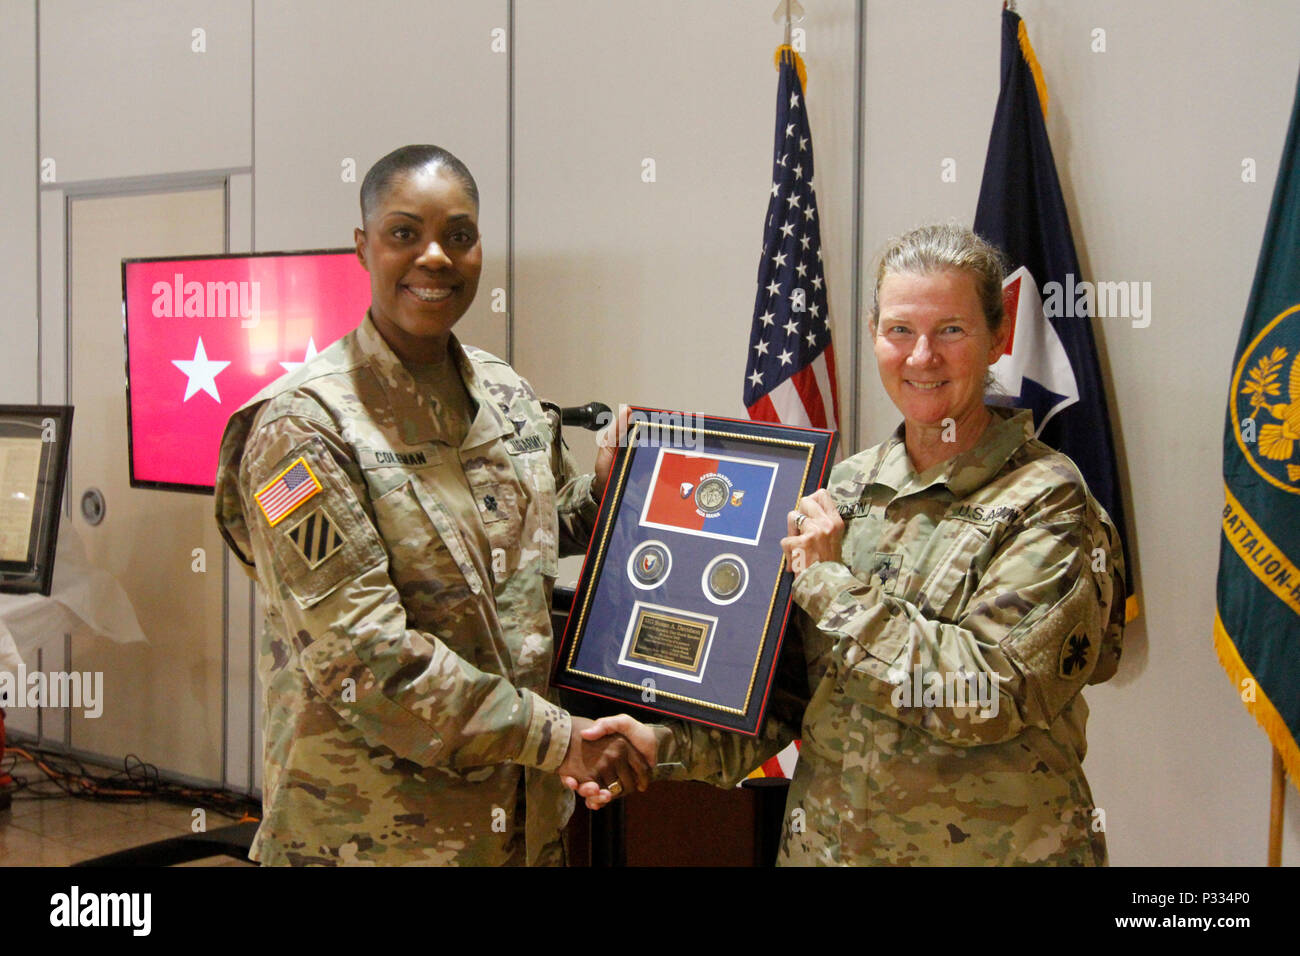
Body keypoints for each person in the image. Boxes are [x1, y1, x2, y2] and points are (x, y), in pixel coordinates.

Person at [575, 223, 1127, 866]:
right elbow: (783, 699)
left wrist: (830, 586)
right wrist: (658, 745)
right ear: (873, 336)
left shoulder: (1049, 500)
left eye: (951, 329)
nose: (922, 357)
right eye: (899, 330)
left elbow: (990, 695)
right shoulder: (843, 489)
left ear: (998, 338)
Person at [214, 144, 648, 866]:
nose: (435, 257)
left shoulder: (505, 392)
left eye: (459, 235)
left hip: (523, 824)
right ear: (364, 247)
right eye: (405, 233)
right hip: (373, 838)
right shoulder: (303, 427)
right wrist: (561, 739)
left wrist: (614, 489)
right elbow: (365, 656)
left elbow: (537, 533)